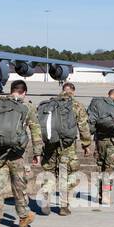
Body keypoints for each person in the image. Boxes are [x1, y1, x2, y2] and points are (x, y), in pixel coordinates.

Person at [0, 78, 40, 227]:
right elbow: (35, 129)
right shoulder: (27, 106)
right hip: (18, 155)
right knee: (19, 188)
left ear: (11, 90)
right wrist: (37, 152)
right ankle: (23, 218)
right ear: (24, 92)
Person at [41, 81, 91, 216]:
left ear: (62, 90)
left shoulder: (49, 104)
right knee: (67, 175)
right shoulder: (76, 106)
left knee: (49, 172)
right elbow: (83, 127)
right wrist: (86, 145)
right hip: (67, 146)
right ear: (73, 92)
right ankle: (64, 206)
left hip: (50, 145)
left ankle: (46, 198)